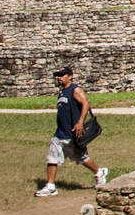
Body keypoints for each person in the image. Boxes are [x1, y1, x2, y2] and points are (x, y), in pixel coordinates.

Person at [36, 66, 107, 196]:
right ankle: (51, 186)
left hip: (73, 133)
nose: (59, 78)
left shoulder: (75, 90)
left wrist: (80, 122)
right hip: (60, 133)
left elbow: (85, 104)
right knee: (52, 157)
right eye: (57, 75)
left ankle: (99, 172)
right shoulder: (62, 92)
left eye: (62, 75)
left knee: (82, 158)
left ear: (70, 76)